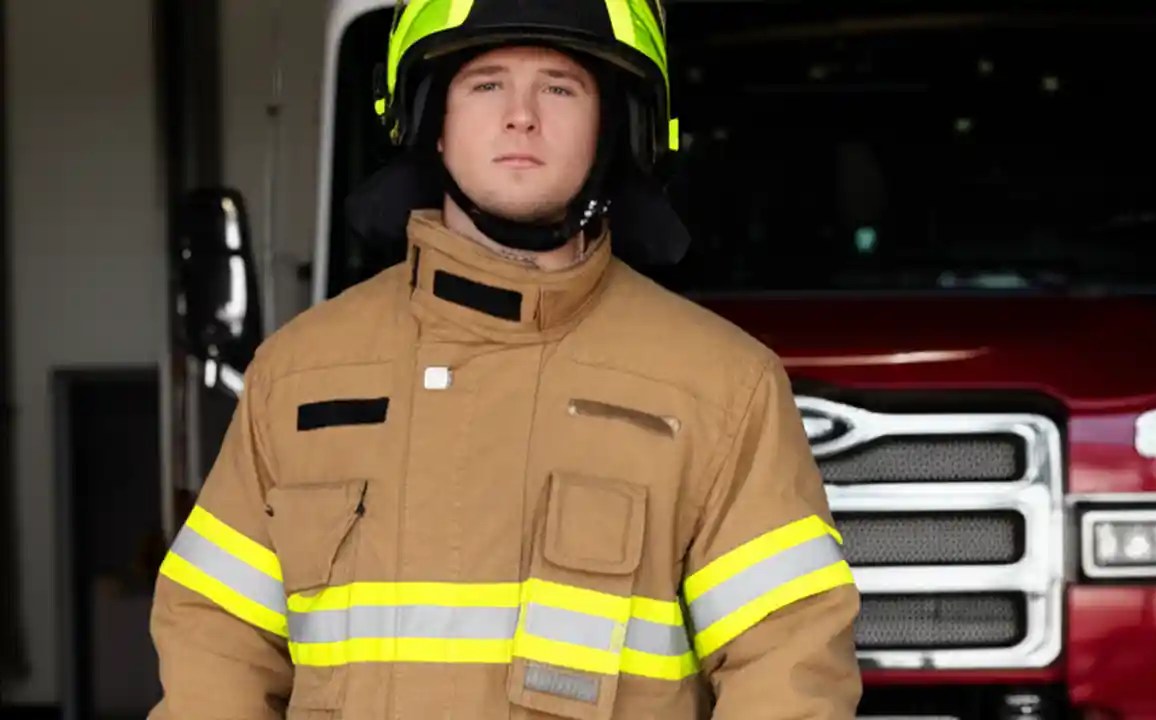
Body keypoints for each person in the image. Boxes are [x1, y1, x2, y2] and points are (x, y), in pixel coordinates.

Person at [147, 1, 863, 718]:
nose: (521, 115)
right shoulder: (299, 378)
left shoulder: (720, 387)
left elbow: (788, 666)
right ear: (430, 120)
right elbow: (217, 645)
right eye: (485, 84)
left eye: (559, 86)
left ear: (618, 126)